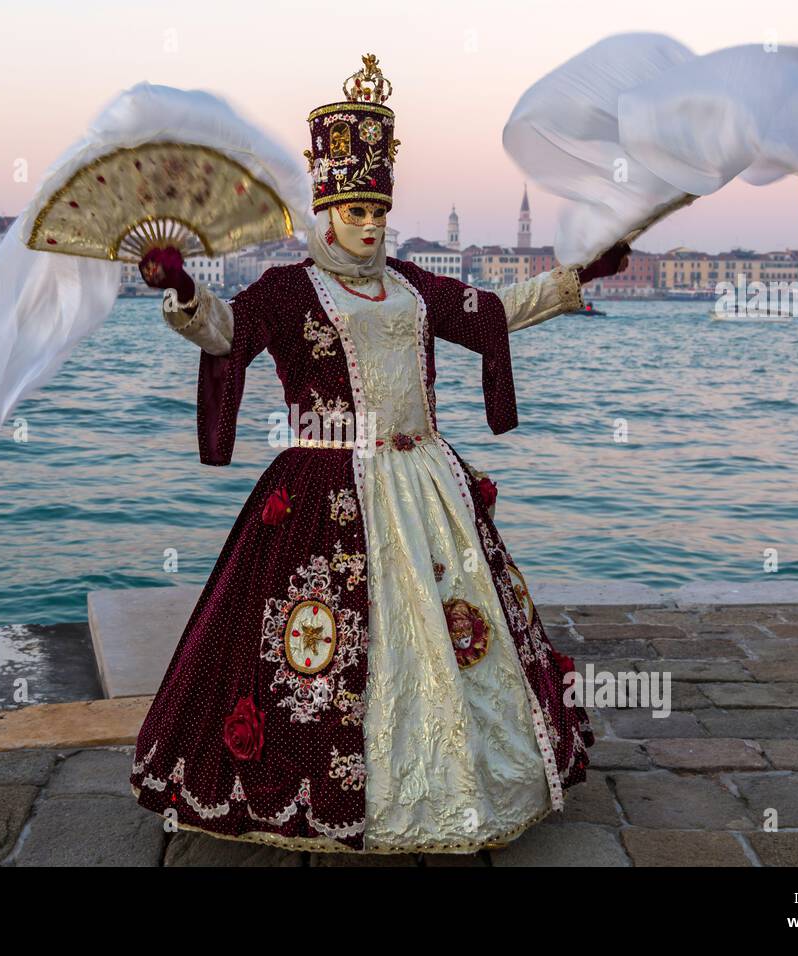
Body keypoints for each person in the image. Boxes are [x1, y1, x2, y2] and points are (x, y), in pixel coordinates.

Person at [128, 55, 629, 854]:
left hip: (426, 481)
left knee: (456, 633)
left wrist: (574, 278)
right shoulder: (287, 292)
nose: (369, 225)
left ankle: (465, 785)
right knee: (311, 652)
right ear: (323, 213)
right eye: (354, 210)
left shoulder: (412, 287)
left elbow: (493, 313)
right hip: (322, 485)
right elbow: (227, 333)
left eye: (377, 211)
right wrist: (184, 293)